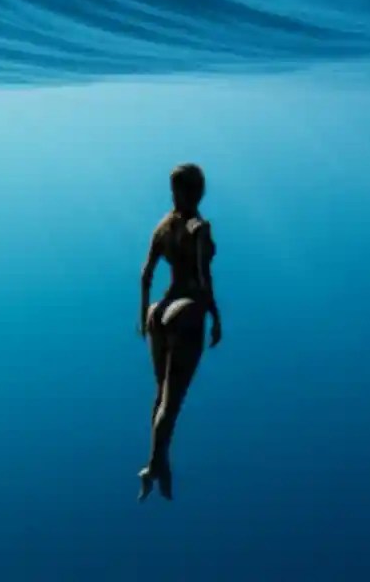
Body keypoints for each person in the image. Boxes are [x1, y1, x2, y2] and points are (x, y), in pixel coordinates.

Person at [137, 163, 223, 501]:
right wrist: (215, 315)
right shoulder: (198, 228)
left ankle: (157, 462)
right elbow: (203, 277)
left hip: (158, 311)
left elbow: (146, 274)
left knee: (161, 395)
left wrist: (142, 315)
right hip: (186, 309)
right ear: (197, 191)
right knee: (171, 403)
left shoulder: (161, 226)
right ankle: (156, 465)